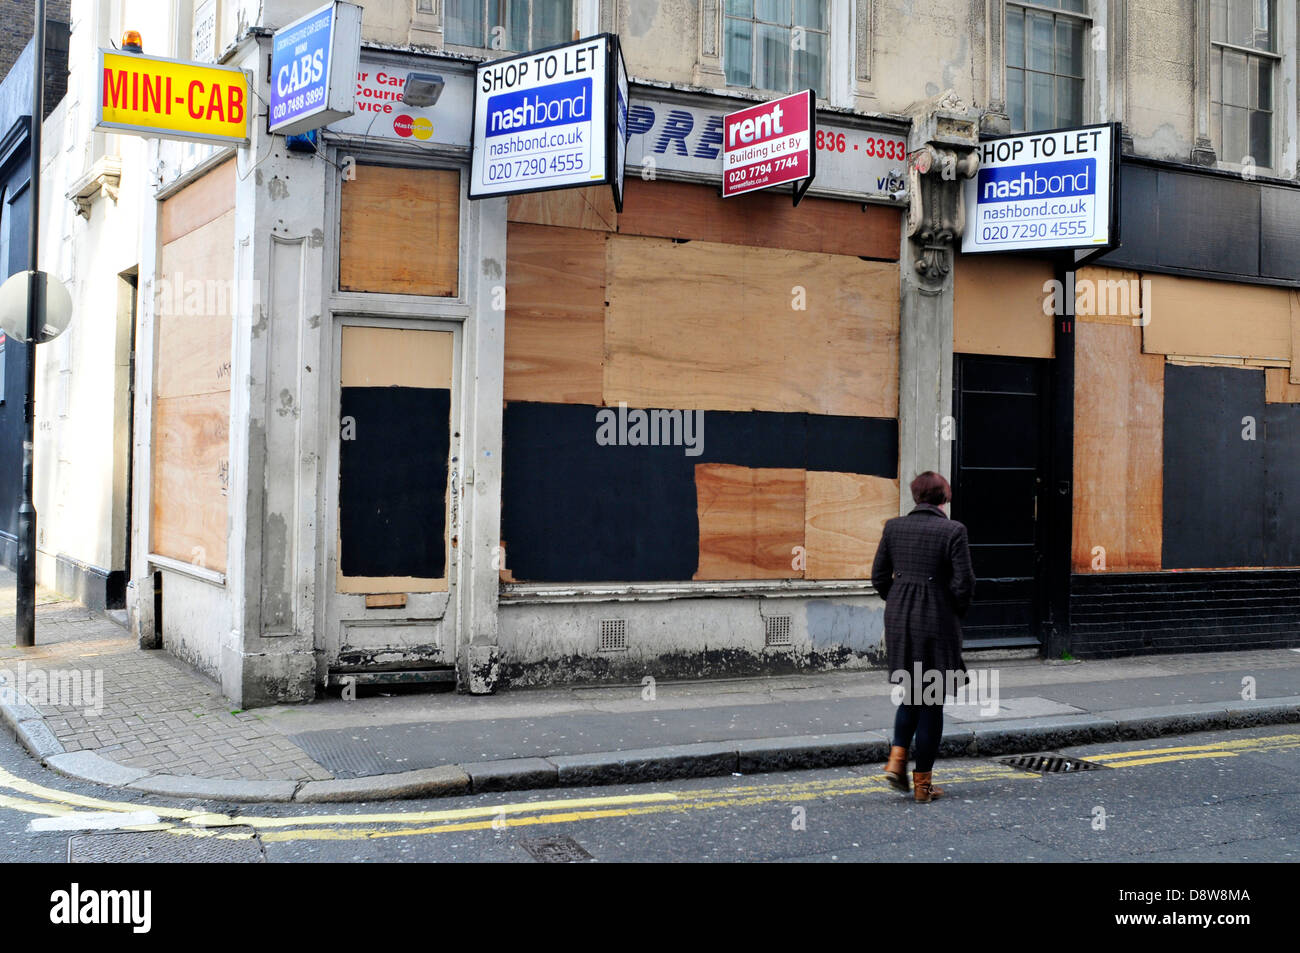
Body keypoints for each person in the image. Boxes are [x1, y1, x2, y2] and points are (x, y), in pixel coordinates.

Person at [870, 471, 976, 802]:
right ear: (943, 497)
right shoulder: (953, 530)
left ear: (916, 496)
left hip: (900, 619)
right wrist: (951, 609)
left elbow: (878, 577)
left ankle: (896, 760)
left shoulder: (893, 526)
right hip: (937, 620)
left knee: (912, 691)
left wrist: (901, 601)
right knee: (931, 700)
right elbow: (964, 583)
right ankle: (922, 786)